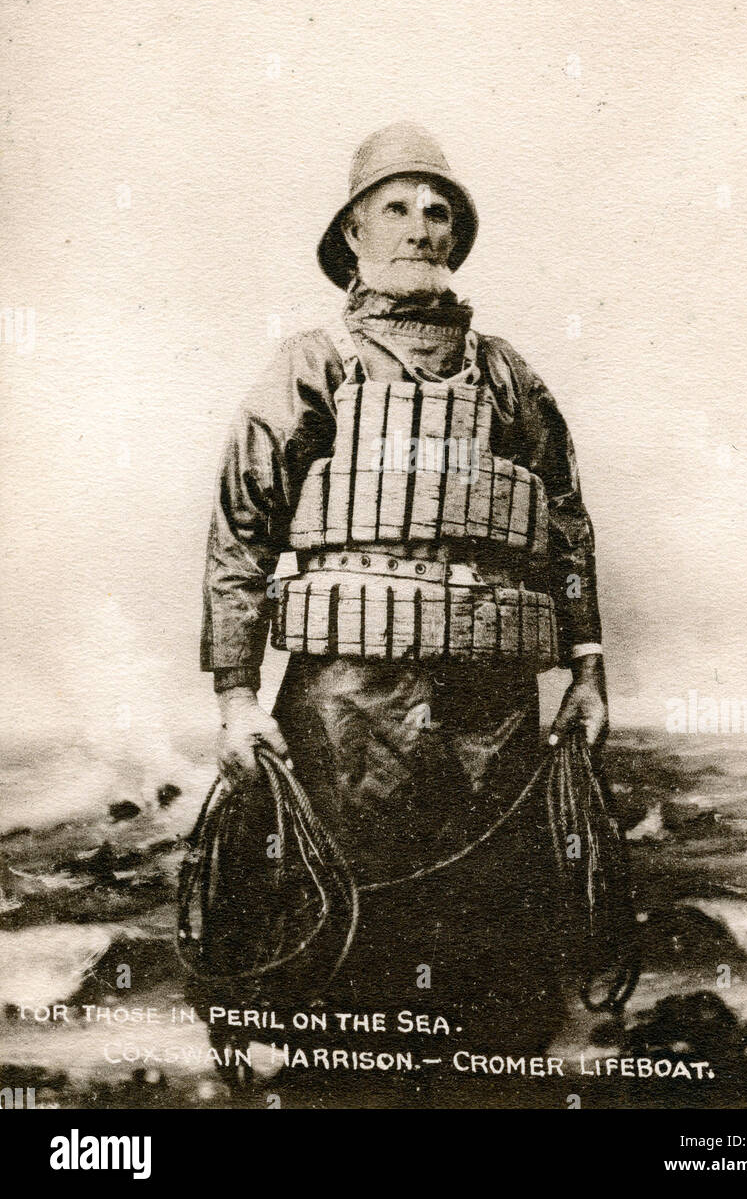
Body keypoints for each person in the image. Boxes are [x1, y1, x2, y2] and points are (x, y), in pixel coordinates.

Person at [200, 122, 610, 1073]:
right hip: (346, 700)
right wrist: (233, 695)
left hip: (491, 701)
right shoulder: (311, 364)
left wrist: (587, 669)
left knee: (491, 940)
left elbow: (566, 526)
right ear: (353, 233)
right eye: (396, 207)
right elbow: (242, 530)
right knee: (340, 922)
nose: (421, 226)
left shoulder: (505, 374)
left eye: (439, 211)